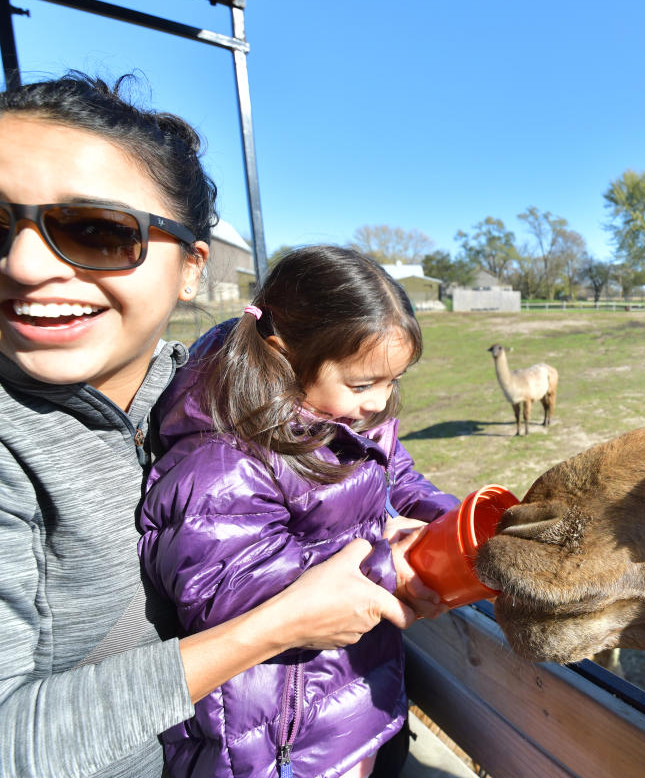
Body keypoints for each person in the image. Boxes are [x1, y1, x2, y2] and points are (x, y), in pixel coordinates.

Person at [0, 73, 429, 778]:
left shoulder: (223, 391)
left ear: (192, 267)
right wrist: (281, 623)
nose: (20, 263)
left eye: (96, 232)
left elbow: (374, 466)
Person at [139, 245, 459, 778]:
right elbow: (233, 593)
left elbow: (396, 478)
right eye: (363, 384)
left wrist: (450, 521)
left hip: (351, 691)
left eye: (392, 382)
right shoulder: (224, 459)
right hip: (276, 731)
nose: (380, 401)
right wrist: (386, 567)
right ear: (284, 353)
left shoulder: (351, 418)